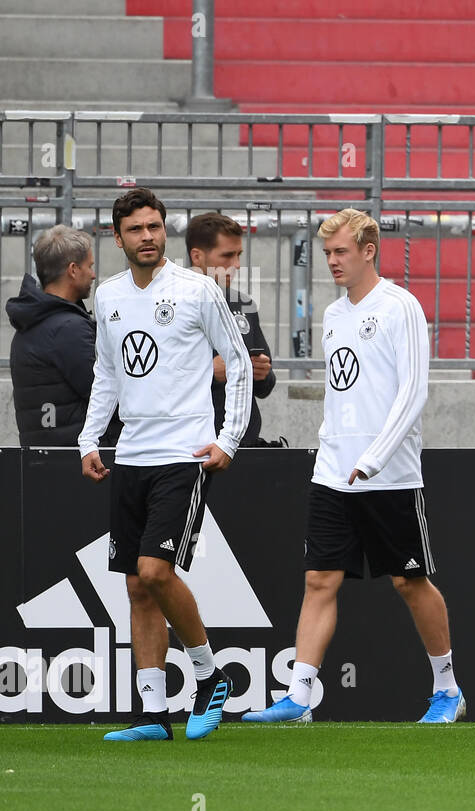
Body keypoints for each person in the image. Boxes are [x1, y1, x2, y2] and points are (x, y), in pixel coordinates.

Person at [241, 208, 465, 725]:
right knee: (319, 579)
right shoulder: (335, 315)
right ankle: (299, 697)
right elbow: (343, 394)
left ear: (369, 250)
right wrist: (334, 455)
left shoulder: (400, 307)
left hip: (390, 474)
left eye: (341, 251)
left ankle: (448, 689)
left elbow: (413, 393)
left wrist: (373, 458)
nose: (333, 262)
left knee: (409, 582)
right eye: (327, 253)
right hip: (333, 473)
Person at [78, 188, 252, 742]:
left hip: (184, 455)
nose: (148, 237)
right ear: (117, 237)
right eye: (136, 229)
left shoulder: (198, 290)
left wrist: (229, 439)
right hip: (130, 455)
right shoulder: (107, 297)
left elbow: (241, 364)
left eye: (155, 226)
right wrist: (89, 438)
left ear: (165, 231)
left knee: (156, 571)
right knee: (135, 586)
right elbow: (107, 372)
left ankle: (208, 674)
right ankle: (153, 714)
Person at [6, 225, 122, 447]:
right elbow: (105, 394)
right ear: (73, 270)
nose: (93, 274)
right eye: (89, 266)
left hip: (49, 459)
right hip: (78, 461)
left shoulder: (31, 321)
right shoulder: (67, 328)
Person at [185, 212, 279, 446]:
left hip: (243, 444)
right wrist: (208, 372)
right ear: (197, 256)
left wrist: (262, 374)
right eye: (227, 256)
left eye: (238, 255)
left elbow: (265, 388)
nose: (236, 265)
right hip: (191, 446)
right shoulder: (170, 306)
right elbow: (152, 383)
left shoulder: (243, 305)